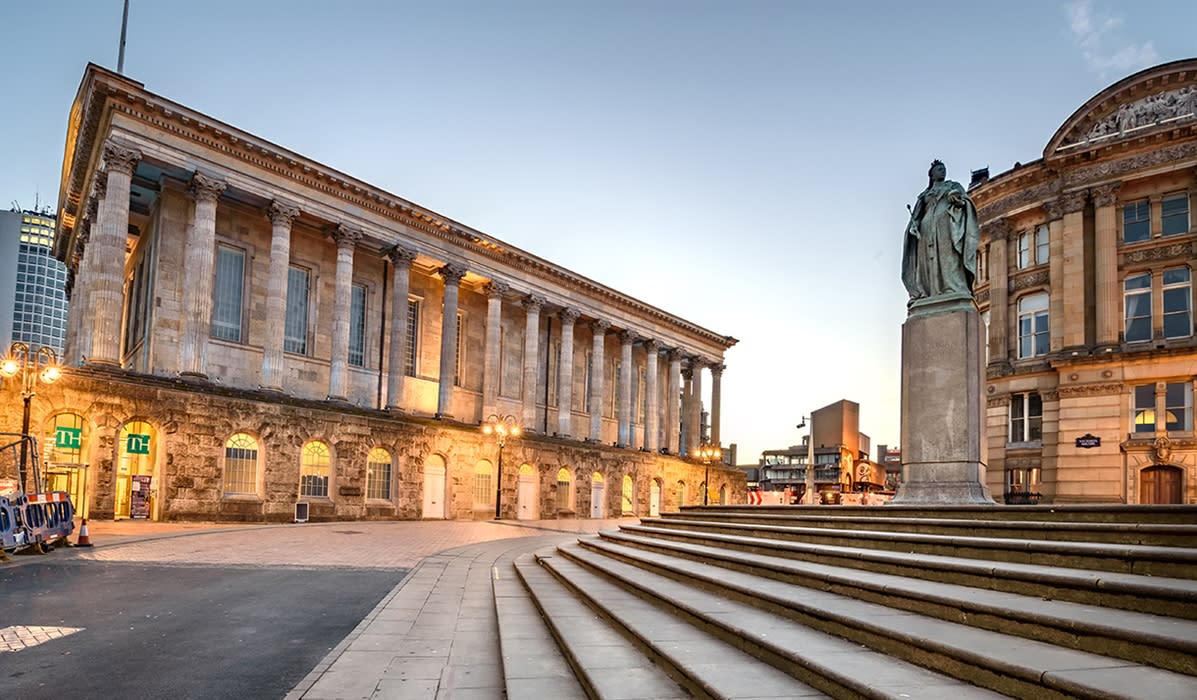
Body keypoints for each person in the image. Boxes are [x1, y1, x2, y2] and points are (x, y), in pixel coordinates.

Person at [901, 160, 980, 302]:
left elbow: (965, 202)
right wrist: (914, 226)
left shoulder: (953, 186)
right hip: (926, 230)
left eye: (943, 169)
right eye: (939, 169)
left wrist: (957, 199)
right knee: (927, 261)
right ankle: (929, 290)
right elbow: (917, 216)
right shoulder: (924, 194)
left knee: (948, 255)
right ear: (931, 174)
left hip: (946, 225)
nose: (942, 171)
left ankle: (953, 287)